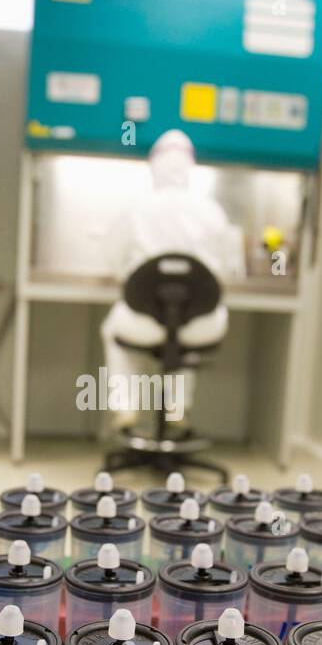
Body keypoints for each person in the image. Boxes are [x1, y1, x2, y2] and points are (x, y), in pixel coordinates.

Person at [100, 129, 245, 430]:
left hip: (143, 321)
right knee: (184, 330)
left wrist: (136, 280)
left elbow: (113, 258)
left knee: (115, 328)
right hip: (202, 324)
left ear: (154, 166)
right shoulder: (211, 210)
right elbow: (230, 267)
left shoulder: (136, 207)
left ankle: (125, 407)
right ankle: (178, 408)